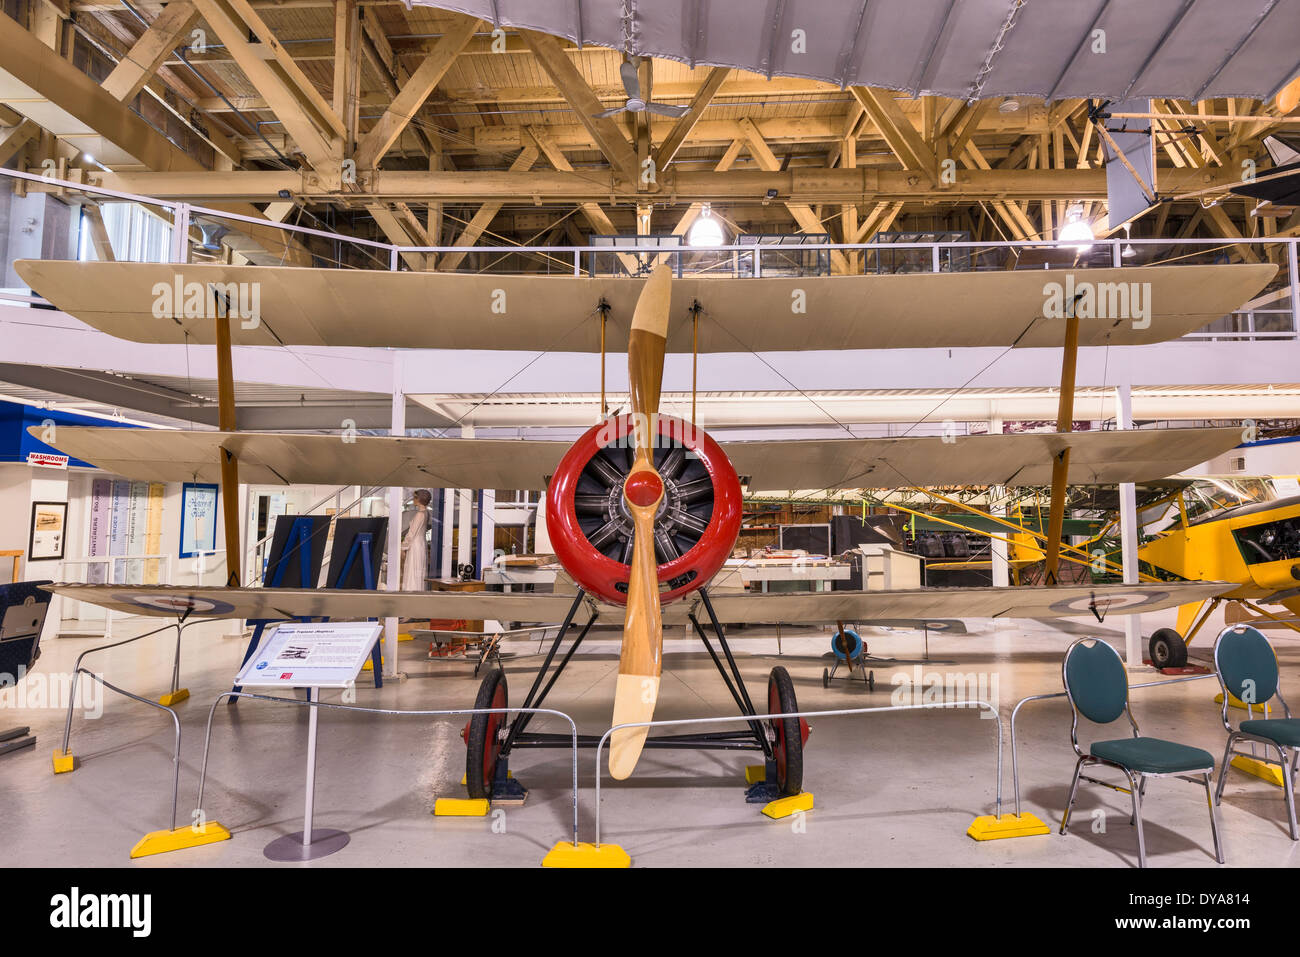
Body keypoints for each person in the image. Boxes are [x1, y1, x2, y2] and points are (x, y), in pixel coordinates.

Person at [400, 489, 431, 591]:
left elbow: (411, 533)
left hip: (415, 545)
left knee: (413, 570)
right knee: (417, 569)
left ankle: (412, 590)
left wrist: (403, 546)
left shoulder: (420, 515)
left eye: (415, 497)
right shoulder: (425, 513)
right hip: (420, 544)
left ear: (419, 499)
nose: (413, 499)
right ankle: (417, 589)